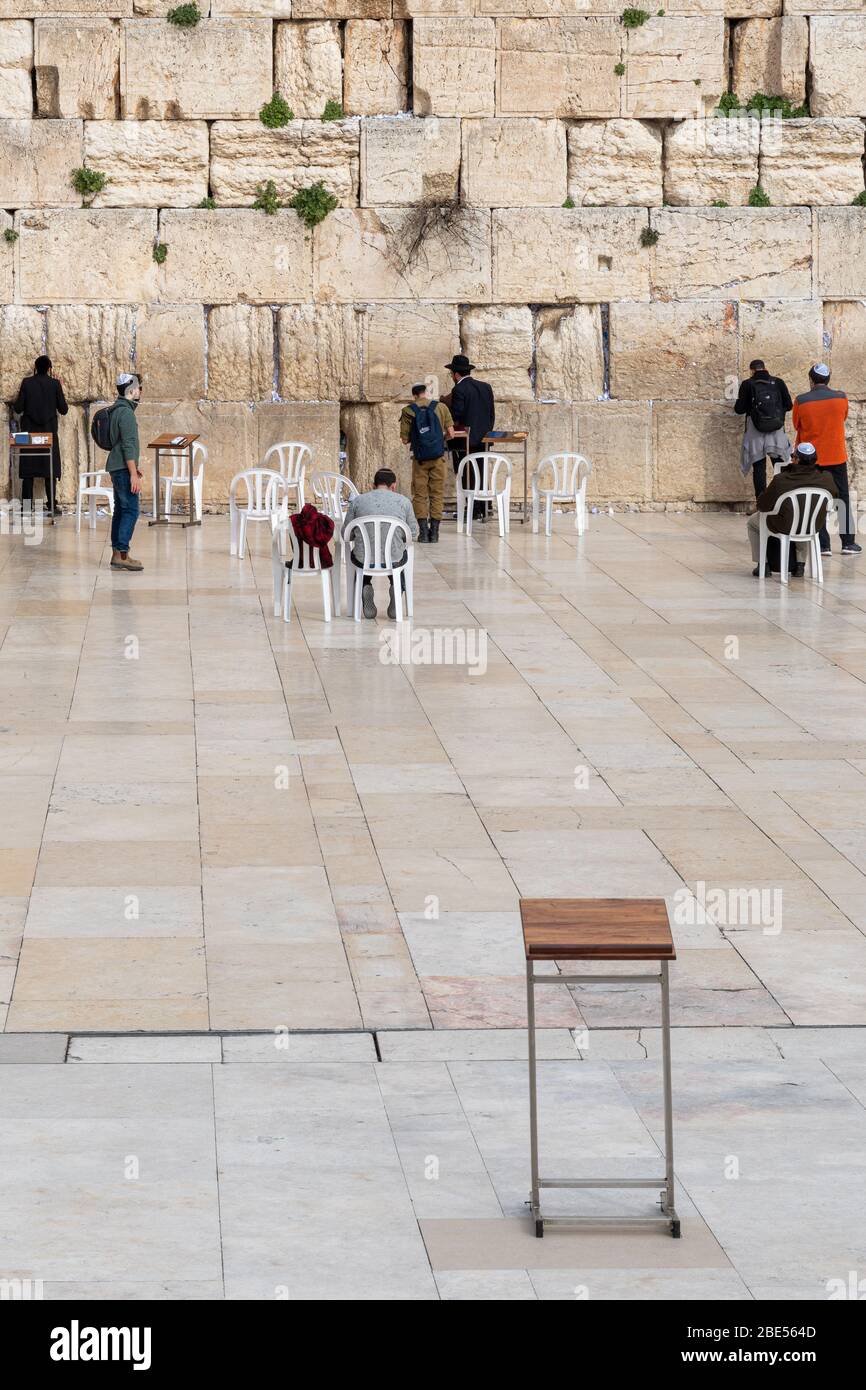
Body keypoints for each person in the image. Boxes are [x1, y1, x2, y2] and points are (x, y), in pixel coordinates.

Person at [792, 363, 861, 556]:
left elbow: (797, 424)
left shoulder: (801, 400)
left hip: (812, 458)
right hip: (836, 456)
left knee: (816, 499)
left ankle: (824, 545)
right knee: (843, 499)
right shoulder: (841, 398)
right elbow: (843, 417)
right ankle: (848, 542)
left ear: (811, 380)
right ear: (828, 379)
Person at [746, 441, 838, 577]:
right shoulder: (827, 478)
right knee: (806, 517)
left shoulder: (782, 480)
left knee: (753, 522)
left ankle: (763, 565)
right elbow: (834, 501)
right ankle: (800, 565)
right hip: (813, 525)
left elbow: (763, 505)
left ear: (797, 460)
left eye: (793, 456)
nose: (791, 458)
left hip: (785, 525)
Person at [342, 468, 418, 619]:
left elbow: (346, 534)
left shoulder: (357, 501)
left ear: (373, 484)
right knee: (399, 556)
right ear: (394, 485)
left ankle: (365, 586)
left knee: (359, 558)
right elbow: (413, 533)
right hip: (393, 560)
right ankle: (397, 589)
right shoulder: (404, 502)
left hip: (364, 560)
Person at [13, 355, 68, 515]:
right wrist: (59, 388)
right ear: (50, 369)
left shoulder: (27, 383)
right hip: (48, 433)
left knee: (28, 469)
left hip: (30, 433)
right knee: (49, 469)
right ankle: (51, 505)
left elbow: (18, 408)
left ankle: (27, 506)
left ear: (35, 368)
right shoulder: (55, 384)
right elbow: (63, 409)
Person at [399, 383, 453, 544]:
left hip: (420, 460)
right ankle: (434, 533)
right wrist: (438, 441)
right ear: (426, 393)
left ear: (414, 395)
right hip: (438, 458)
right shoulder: (441, 407)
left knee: (420, 495)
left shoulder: (408, 411)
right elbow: (451, 433)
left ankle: (423, 533)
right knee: (436, 494)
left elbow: (404, 440)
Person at [444, 354, 495, 521]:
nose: (452, 377)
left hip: (465, 440)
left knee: (467, 473)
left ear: (456, 374)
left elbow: (457, 415)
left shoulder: (459, 389)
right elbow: (491, 415)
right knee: (481, 471)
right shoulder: (486, 387)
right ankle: (485, 506)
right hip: (484, 438)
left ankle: (472, 509)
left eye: (451, 374)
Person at [734, 359, 792, 499]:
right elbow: (789, 405)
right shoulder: (778, 382)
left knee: (759, 468)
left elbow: (739, 409)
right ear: (765, 368)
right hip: (776, 430)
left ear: (752, 370)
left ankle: (761, 505)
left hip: (755, 431)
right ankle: (783, 501)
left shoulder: (747, 384)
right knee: (779, 466)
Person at [106, 372, 144, 572]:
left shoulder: (115, 410)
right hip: (122, 468)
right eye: (138, 388)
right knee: (131, 510)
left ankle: (117, 554)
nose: (140, 391)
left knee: (120, 511)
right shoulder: (127, 413)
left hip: (116, 466)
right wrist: (132, 473)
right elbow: (128, 445)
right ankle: (122, 554)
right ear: (131, 390)